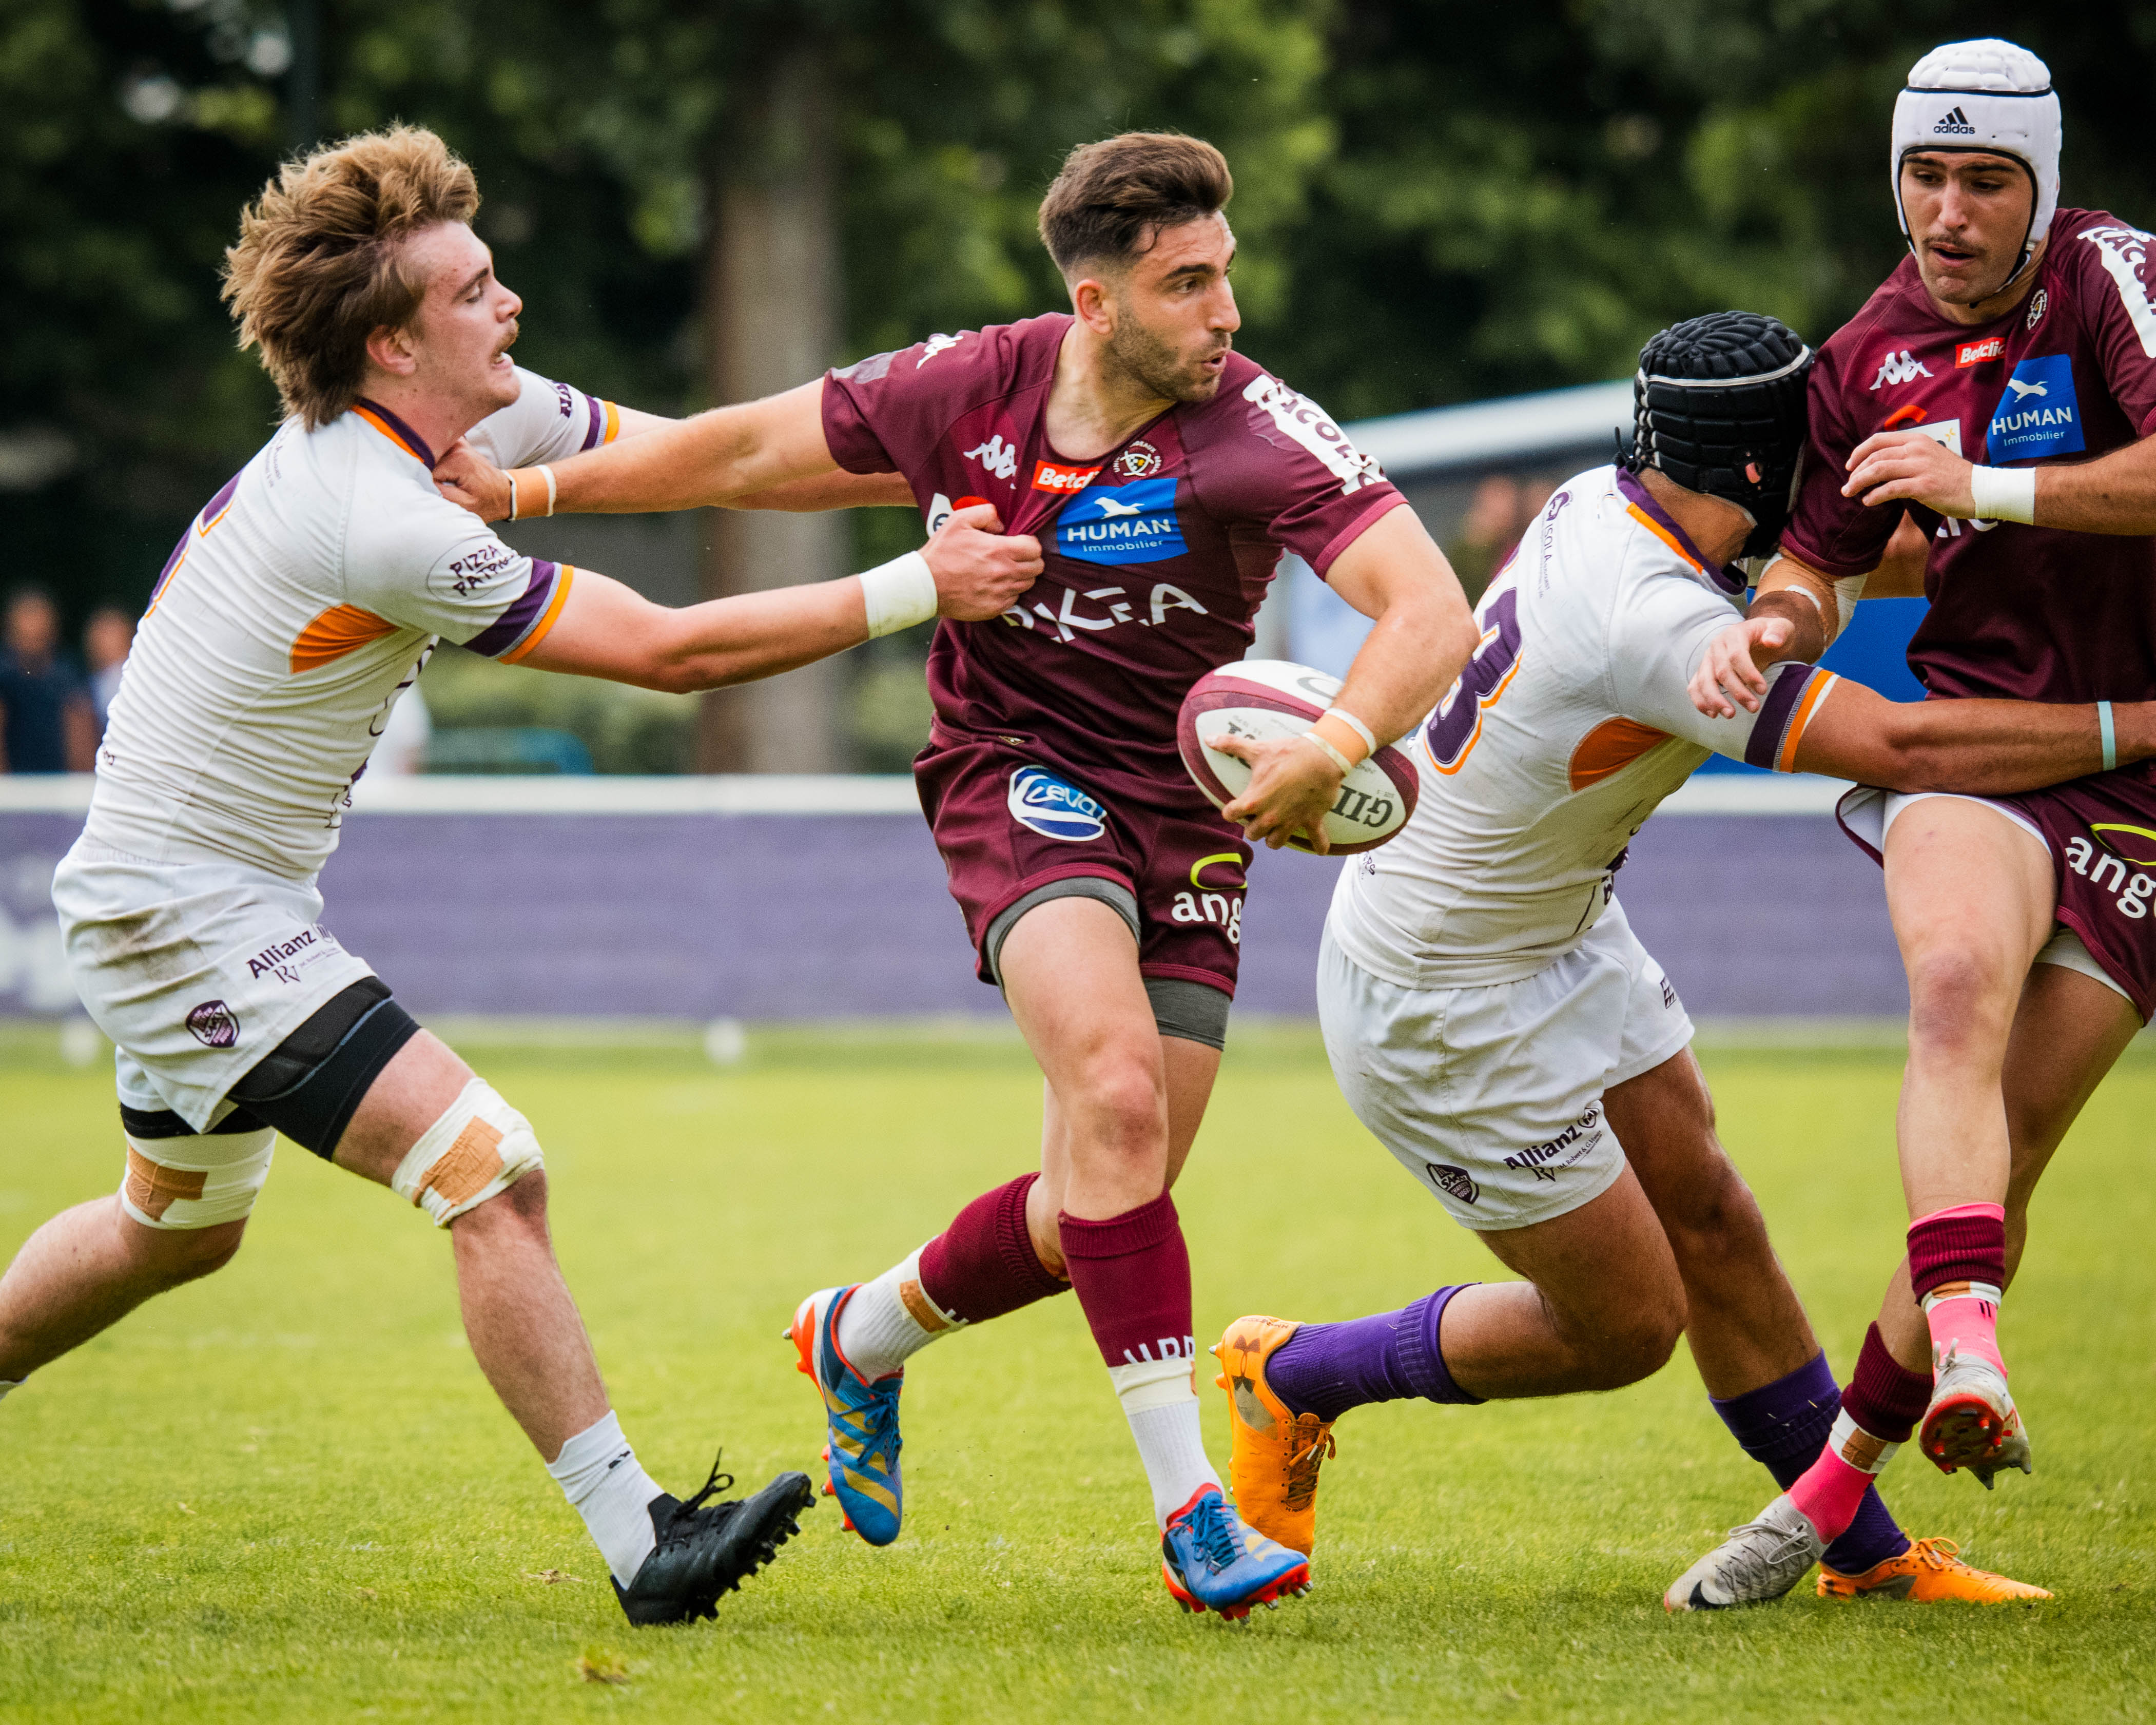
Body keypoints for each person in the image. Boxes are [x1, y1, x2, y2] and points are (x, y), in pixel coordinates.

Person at [0, 125, 1039, 1627]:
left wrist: (943, 465)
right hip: (182, 915)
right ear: (388, 341)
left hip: (203, 897)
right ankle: (644, 1543)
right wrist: (918, 587)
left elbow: (702, 456)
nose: (512, 306)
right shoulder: (379, 515)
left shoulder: (463, 418)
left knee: (177, 1233)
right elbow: (671, 656)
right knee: (487, 1166)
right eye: (475, 288)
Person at [436, 131, 1481, 1618]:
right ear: (1096, 300)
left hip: (1190, 810)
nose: (1227, 315)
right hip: (1015, 773)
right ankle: (1192, 1513)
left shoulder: (1258, 428)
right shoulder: (968, 388)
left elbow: (1426, 608)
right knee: (1114, 1096)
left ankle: (859, 1334)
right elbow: (736, 450)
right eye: (1189, 285)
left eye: (1226, 276)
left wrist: (1346, 739)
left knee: (1110, 1191)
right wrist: (531, 500)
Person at [1205, 311, 2127, 1612]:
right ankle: (1291, 1373)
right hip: (1439, 996)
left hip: (1555, 927)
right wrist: (2131, 722)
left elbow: (1886, 558)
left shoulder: (1623, 502)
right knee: (1626, 1325)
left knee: (1716, 1214)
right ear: (1758, 469)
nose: (1832, 465)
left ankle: (1857, 1556)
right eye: (1813, 444)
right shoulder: (1655, 621)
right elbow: (1908, 752)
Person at [1674, 38, 2156, 1604]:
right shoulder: (1862, 350)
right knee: (1950, 981)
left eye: (1982, 182)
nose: (1944, 214)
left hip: (2138, 786)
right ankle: (1966, 1338)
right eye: (1923, 178)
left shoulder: (2109, 278)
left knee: (1995, 1168)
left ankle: (1818, 1503)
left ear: (2041, 191)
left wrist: (1986, 486)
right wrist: (1776, 617)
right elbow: (1819, 555)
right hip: (1979, 750)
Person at [0, 588, 95, 772]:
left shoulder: (69, 678)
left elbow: (82, 754)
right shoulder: (4, 679)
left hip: (62, 791)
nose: (33, 635)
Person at [83, 606, 135, 734]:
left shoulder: (134, 680)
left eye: (110, 632)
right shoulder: (87, 688)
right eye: (100, 632)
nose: (103, 639)